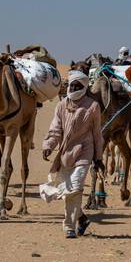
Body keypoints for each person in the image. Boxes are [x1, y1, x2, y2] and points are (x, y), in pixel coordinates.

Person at [39, 70, 104, 238]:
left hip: (84, 151)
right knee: (69, 190)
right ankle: (81, 218)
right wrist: (48, 145)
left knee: (75, 187)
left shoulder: (93, 106)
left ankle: (68, 226)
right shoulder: (61, 105)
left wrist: (98, 158)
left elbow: (97, 134)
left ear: (83, 87)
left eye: (77, 85)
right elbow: (55, 129)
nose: (73, 88)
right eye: (71, 85)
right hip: (66, 153)